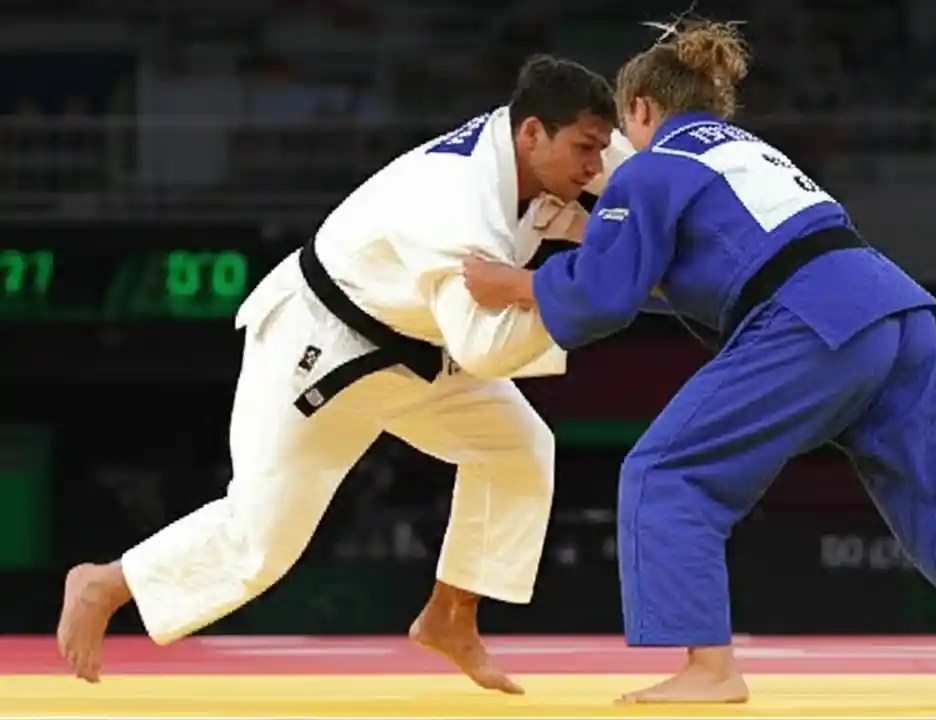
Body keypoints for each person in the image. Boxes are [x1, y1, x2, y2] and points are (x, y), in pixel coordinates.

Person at [461, 21, 936, 706]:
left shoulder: (653, 168)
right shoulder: (747, 154)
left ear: (640, 109)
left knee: (667, 471)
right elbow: (699, 268)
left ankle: (708, 668)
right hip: (890, 310)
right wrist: (596, 236)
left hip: (812, 321)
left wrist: (514, 286)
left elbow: (604, 299)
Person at [56, 54, 633, 693]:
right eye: (584, 149)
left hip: (416, 346)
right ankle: (105, 583)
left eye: (599, 148)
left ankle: (451, 614)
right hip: (323, 349)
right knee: (261, 542)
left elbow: (635, 176)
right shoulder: (454, 202)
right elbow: (487, 351)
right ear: (531, 133)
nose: (592, 166)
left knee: (519, 448)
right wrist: (576, 290)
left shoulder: (556, 144)